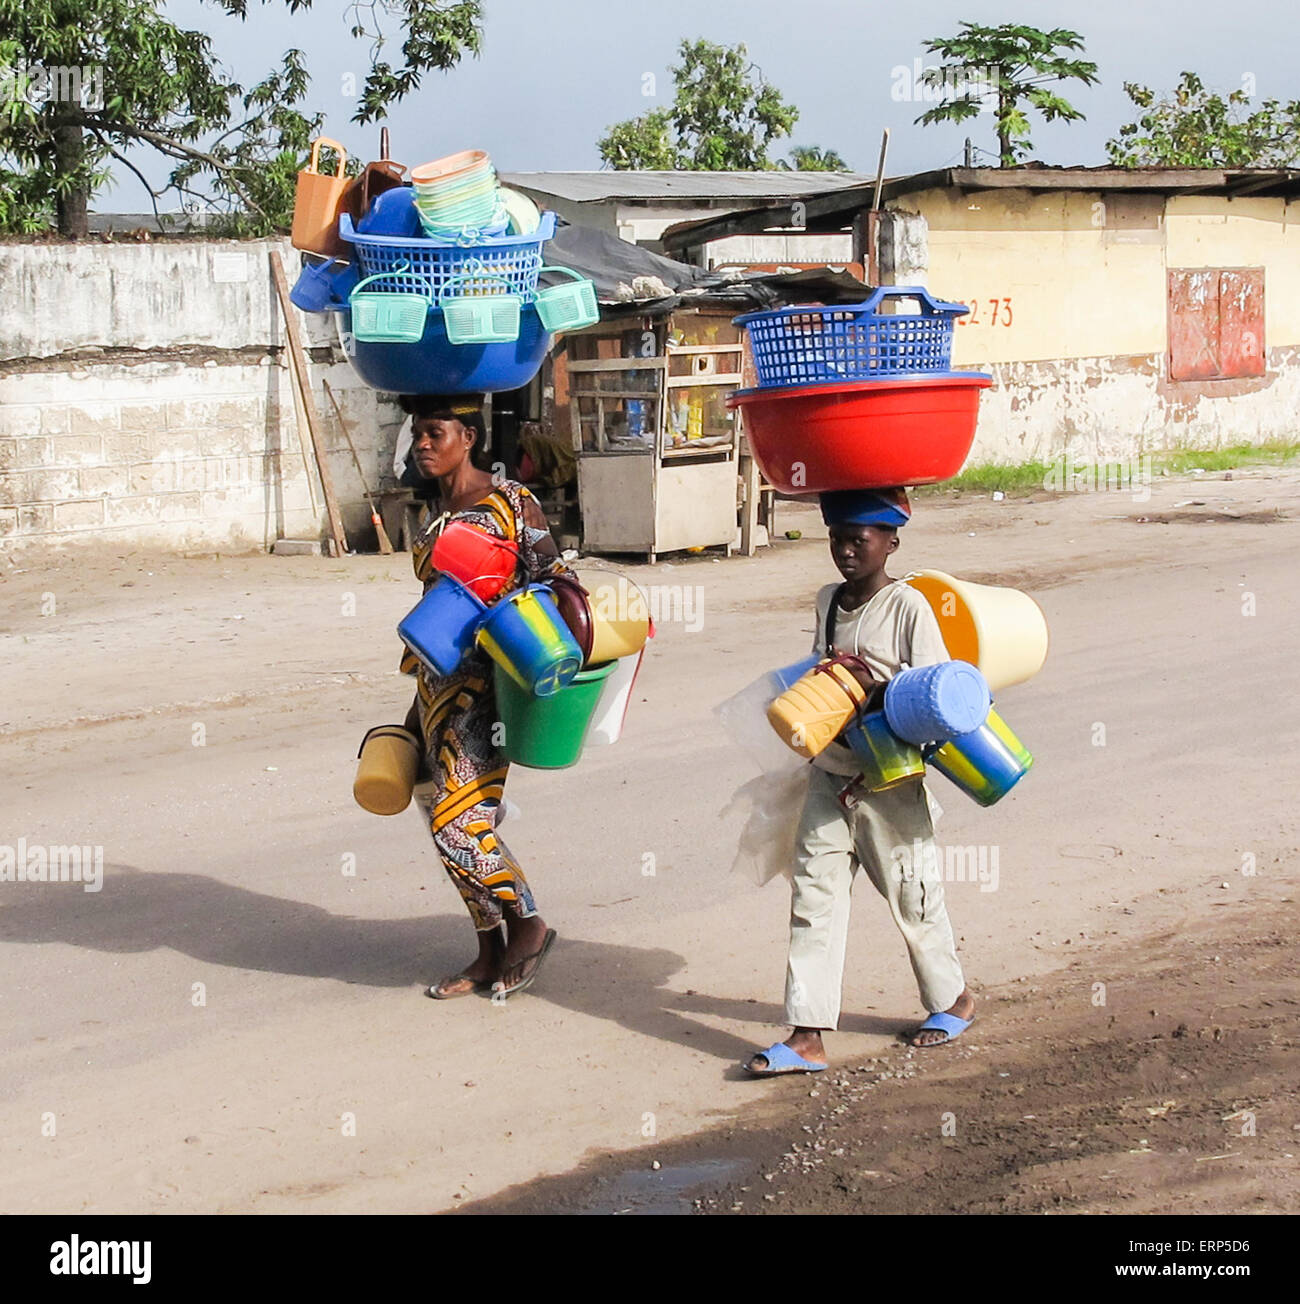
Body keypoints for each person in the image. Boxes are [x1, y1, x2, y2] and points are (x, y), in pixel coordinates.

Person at [744, 487, 976, 1075]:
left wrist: (875, 690)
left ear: (890, 543)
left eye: (859, 540)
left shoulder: (908, 608)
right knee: (813, 901)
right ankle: (807, 1035)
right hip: (829, 776)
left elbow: (935, 698)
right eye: (837, 539)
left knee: (912, 896)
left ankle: (952, 999)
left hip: (889, 780)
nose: (846, 551)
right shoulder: (827, 601)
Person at [396, 394, 570, 1001]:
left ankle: (528, 924)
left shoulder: (511, 502)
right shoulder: (431, 514)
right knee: (431, 809)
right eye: (418, 433)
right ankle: (487, 949)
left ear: (467, 438)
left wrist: (535, 636)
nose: (422, 443)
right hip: (434, 687)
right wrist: (413, 712)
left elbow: (558, 581)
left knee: (458, 823)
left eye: (434, 432)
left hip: (490, 688)